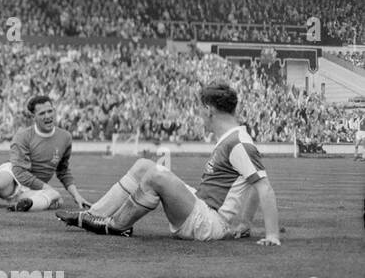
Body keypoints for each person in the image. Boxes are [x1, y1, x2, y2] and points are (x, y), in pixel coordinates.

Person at [60, 80, 281, 244]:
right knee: (144, 166)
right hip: (203, 209)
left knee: (157, 175)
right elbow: (255, 184)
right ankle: (94, 215)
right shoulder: (232, 139)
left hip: (209, 224)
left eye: (199, 110)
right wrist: (245, 223)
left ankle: (117, 226)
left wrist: (272, 235)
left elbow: (264, 187)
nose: (199, 116)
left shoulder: (238, 143)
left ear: (208, 110)